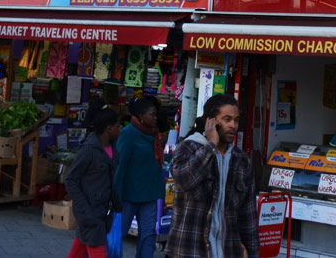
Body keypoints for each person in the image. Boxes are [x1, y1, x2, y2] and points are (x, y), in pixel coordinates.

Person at [167, 93, 259, 258]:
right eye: (227, 119)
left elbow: (248, 214)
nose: (233, 126)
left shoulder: (241, 160)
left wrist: (254, 252)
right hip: (189, 250)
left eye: (236, 120)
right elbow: (184, 180)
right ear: (211, 121)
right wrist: (210, 147)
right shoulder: (188, 148)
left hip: (228, 251)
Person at [65, 105, 122, 258]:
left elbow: (111, 181)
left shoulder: (114, 148)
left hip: (101, 211)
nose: (120, 129)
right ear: (109, 129)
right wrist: (84, 208)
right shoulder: (88, 150)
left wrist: (118, 206)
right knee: (97, 250)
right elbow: (70, 179)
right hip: (89, 213)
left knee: (79, 249)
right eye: (118, 126)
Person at [115, 97, 164, 258]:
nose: (155, 118)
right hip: (128, 195)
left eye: (156, 115)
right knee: (119, 232)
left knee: (149, 234)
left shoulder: (154, 135)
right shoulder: (128, 134)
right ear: (141, 116)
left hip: (149, 195)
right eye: (152, 115)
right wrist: (116, 196)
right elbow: (120, 166)